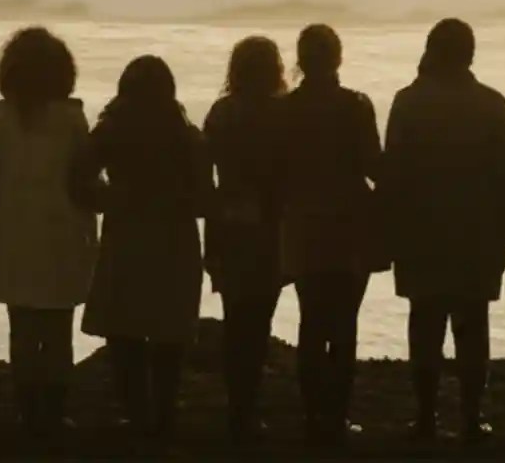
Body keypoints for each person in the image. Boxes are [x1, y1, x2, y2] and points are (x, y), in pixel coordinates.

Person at [380, 19, 505, 444]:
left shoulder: (408, 101)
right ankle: (471, 418)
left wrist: (390, 233)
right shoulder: (493, 104)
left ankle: (425, 417)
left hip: (421, 232)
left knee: (425, 323)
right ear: (470, 55)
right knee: (472, 326)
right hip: (477, 233)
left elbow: (393, 175)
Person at [0, 27, 97, 436]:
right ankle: (54, 411)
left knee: (22, 327)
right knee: (58, 330)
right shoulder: (72, 118)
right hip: (61, 234)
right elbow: (85, 182)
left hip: (11, 234)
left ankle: (27, 410)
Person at [82, 55, 210, 442]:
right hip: (175, 241)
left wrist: (113, 199)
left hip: (127, 239)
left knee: (125, 333)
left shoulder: (110, 132)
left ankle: (136, 414)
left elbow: (78, 182)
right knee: (169, 334)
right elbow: (204, 199)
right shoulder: (187, 136)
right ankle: (164, 415)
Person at [279, 24, 384, 446]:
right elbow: (374, 165)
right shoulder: (356, 106)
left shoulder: (285, 110)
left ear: (301, 61)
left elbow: (279, 171)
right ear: (338, 59)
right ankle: (336, 417)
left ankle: (311, 416)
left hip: (304, 224)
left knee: (312, 320)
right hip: (349, 224)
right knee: (343, 325)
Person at [203, 37, 289, 443]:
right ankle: (246, 408)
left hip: (229, 221)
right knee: (258, 320)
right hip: (271, 224)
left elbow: (204, 172)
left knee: (236, 318)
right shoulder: (281, 113)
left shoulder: (222, 113)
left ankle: (237, 408)